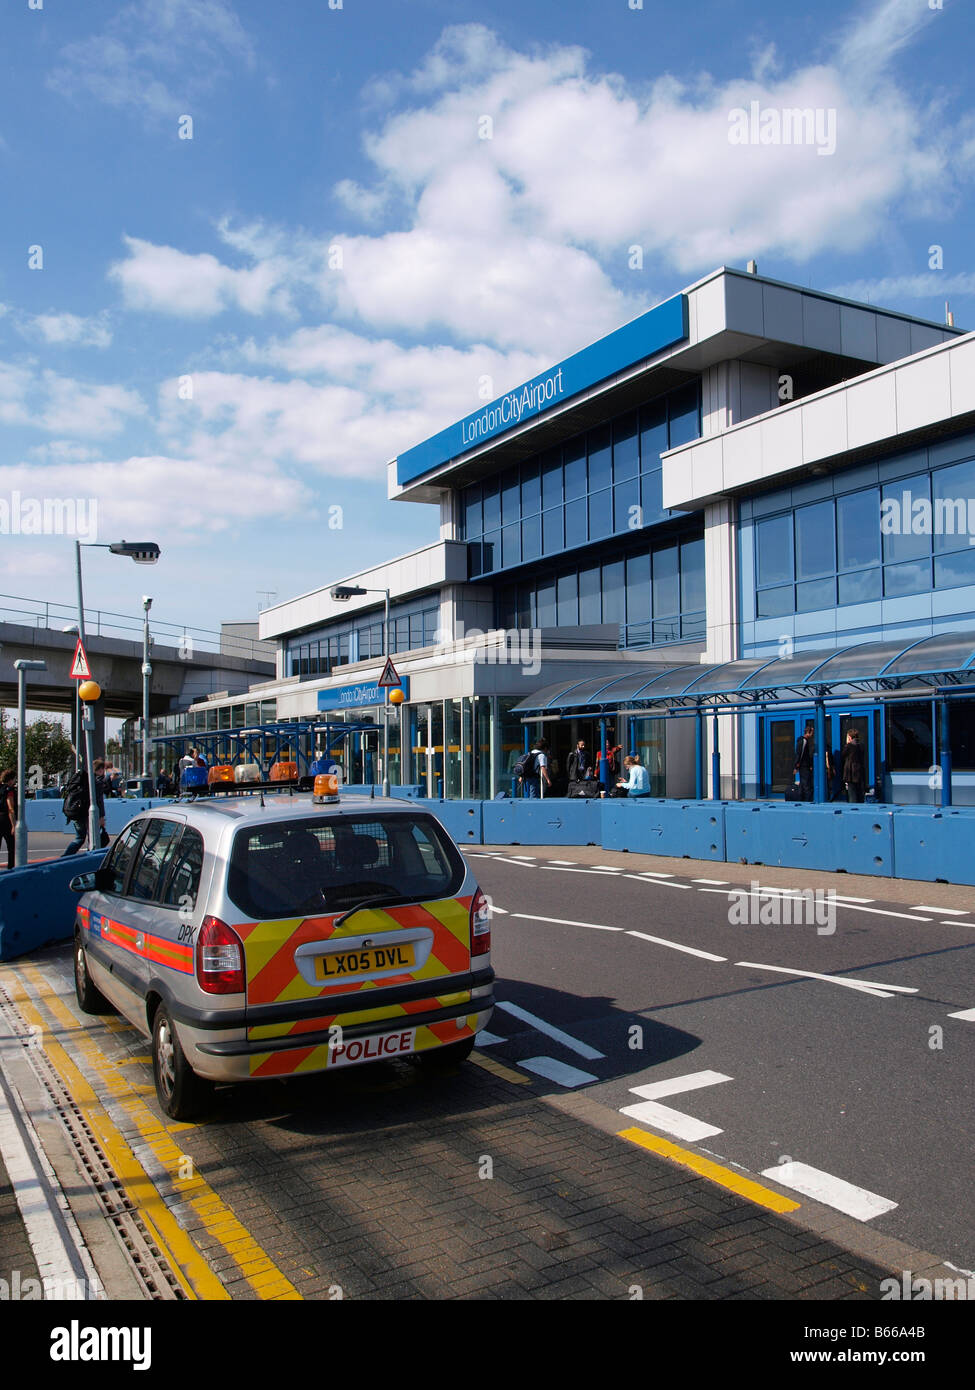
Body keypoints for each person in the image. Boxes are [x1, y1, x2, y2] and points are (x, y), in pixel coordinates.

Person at [61, 757, 110, 856]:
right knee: (92, 837)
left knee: (79, 837)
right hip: (85, 813)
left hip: (75, 811)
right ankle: (89, 856)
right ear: (100, 770)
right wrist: (101, 817)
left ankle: (65, 857)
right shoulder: (97, 782)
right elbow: (99, 801)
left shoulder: (84, 780)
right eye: (103, 769)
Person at [841, 728, 867, 803]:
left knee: (852, 794)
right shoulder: (861, 746)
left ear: (849, 736)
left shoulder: (849, 746)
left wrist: (847, 743)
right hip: (859, 772)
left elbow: (843, 756)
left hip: (850, 773)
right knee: (859, 793)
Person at [794, 722, 815, 801]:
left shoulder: (805, 741)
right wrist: (796, 766)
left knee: (803, 784)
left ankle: (802, 799)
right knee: (806, 784)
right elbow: (800, 754)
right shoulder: (804, 741)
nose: (813, 735)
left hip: (804, 766)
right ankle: (808, 800)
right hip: (804, 766)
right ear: (808, 733)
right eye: (812, 733)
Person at [0, 769, 17, 870]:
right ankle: (11, 868)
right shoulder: (9, 790)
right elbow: (10, 807)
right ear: (10, 780)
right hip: (5, 820)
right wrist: (14, 825)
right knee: (11, 847)